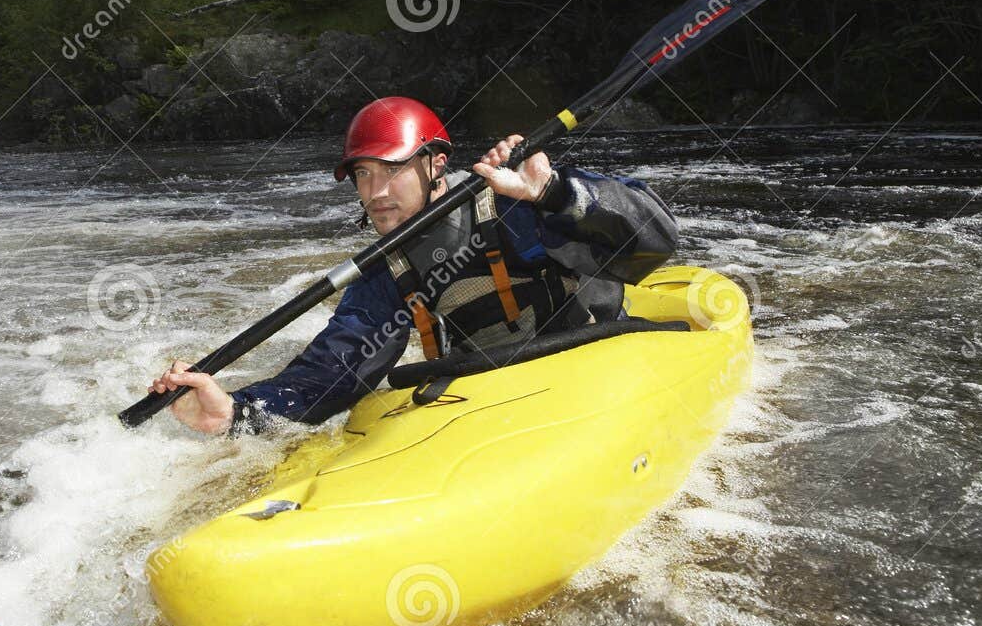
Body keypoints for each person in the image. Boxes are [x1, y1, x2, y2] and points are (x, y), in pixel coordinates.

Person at [149, 96, 677, 435]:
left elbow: (656, 241)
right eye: (361, 175)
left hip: (595, 368)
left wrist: (556, 192)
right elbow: (333, 375)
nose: (374, 192)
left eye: (392, 170)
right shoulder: (387, 270)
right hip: (501, 399)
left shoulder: (517, 204)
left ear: (436, 163)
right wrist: (237, 412)